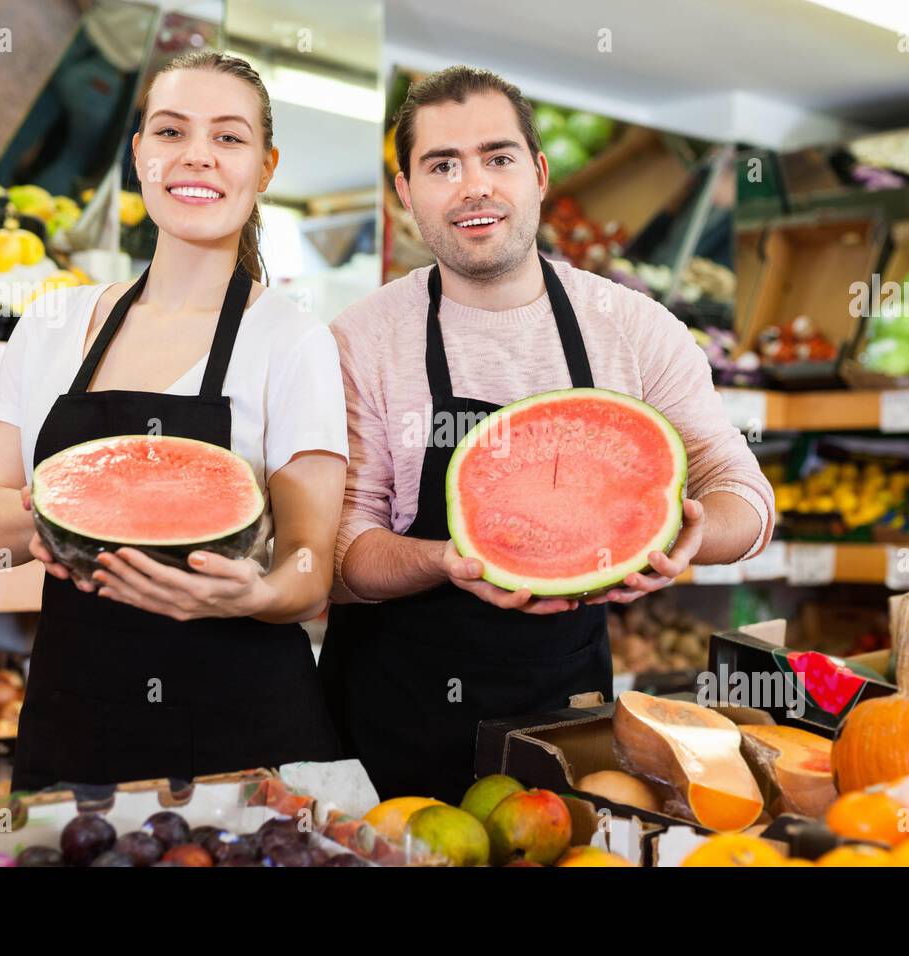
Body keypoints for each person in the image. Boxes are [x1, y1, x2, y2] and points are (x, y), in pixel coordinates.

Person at [319, 66, 776, 804]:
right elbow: (340, 555)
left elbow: (744, 495)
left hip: (563, 727)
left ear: (536, 173)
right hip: (389, 733)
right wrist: (445, 558)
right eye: (442, 165)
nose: (474, 187)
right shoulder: (360, 340)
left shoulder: (635, 328)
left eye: (498, 158)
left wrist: (691, 536)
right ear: (406, 193)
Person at [0, 52, 346, 792]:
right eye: (170, 131)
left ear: (264, 168)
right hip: (75, 719)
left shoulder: (293, 339)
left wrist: (258, 596)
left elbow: (309, 565)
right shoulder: (50, 323)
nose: (196, 155)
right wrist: (69, 514)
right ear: (139, 154)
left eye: (229, 138)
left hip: (239, 728)